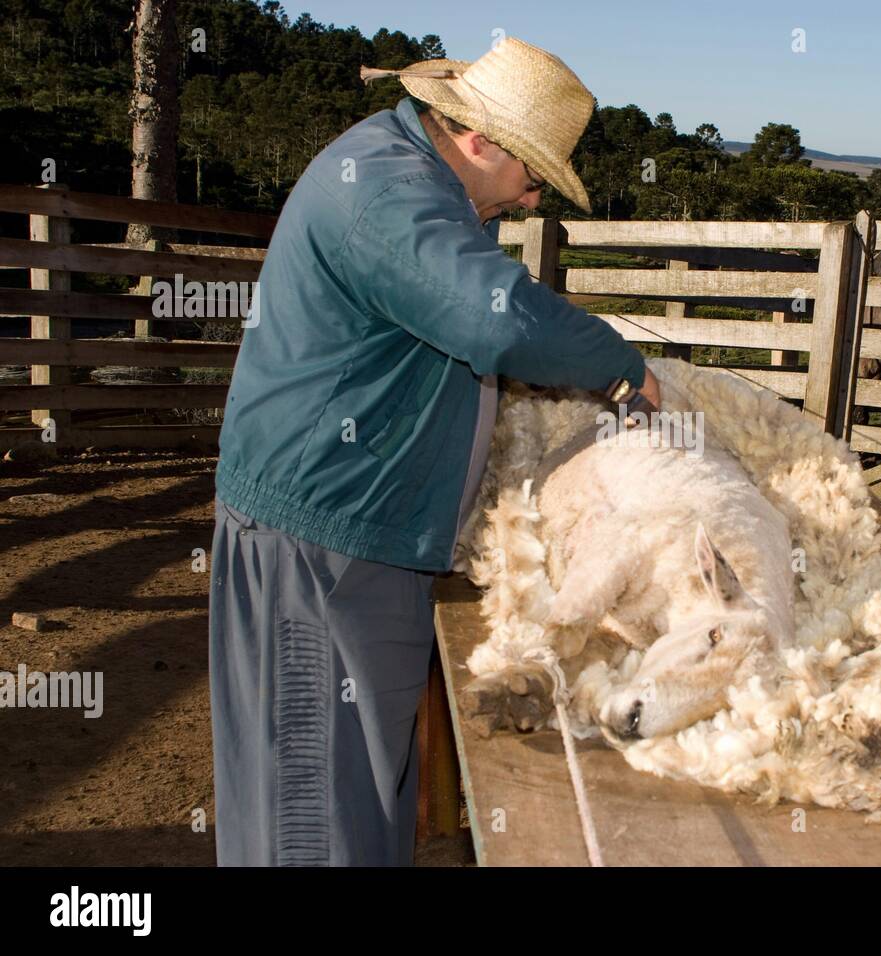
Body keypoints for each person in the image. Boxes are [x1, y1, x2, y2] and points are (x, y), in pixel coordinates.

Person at [207, 36, 659, 866]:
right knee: (313, 799)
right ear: (481, 140)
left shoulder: (412, 175)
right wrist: (619, 366)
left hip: (347, 526)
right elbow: (490, 316)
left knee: (355, 780)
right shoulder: (389, 190)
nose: (528, 203)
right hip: (320, 537)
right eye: (531, 178)